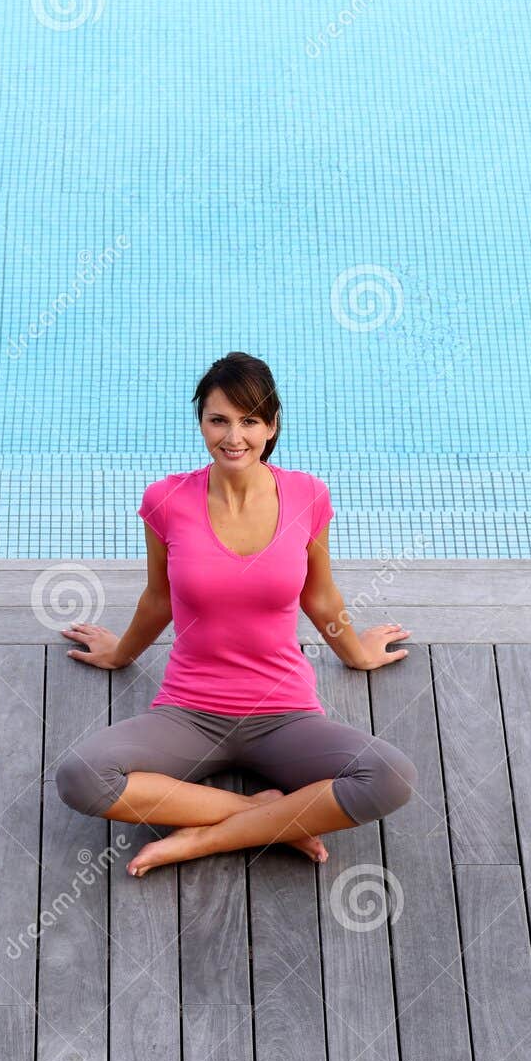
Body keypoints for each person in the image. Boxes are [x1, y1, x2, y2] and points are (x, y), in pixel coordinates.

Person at [56, 351, 417, 877]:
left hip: (284, 714)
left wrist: (358, 652)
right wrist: (121, 653)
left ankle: (200, 842)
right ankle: (270, 818)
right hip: (189, 712)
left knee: (390, 776)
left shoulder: (307, 496)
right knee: (81, 776)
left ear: (272, 425)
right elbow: (159, 598)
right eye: (218, 420)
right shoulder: (166, 499)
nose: (233, 437)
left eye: (249, 421)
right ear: (200, 421)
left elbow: (320, 597)